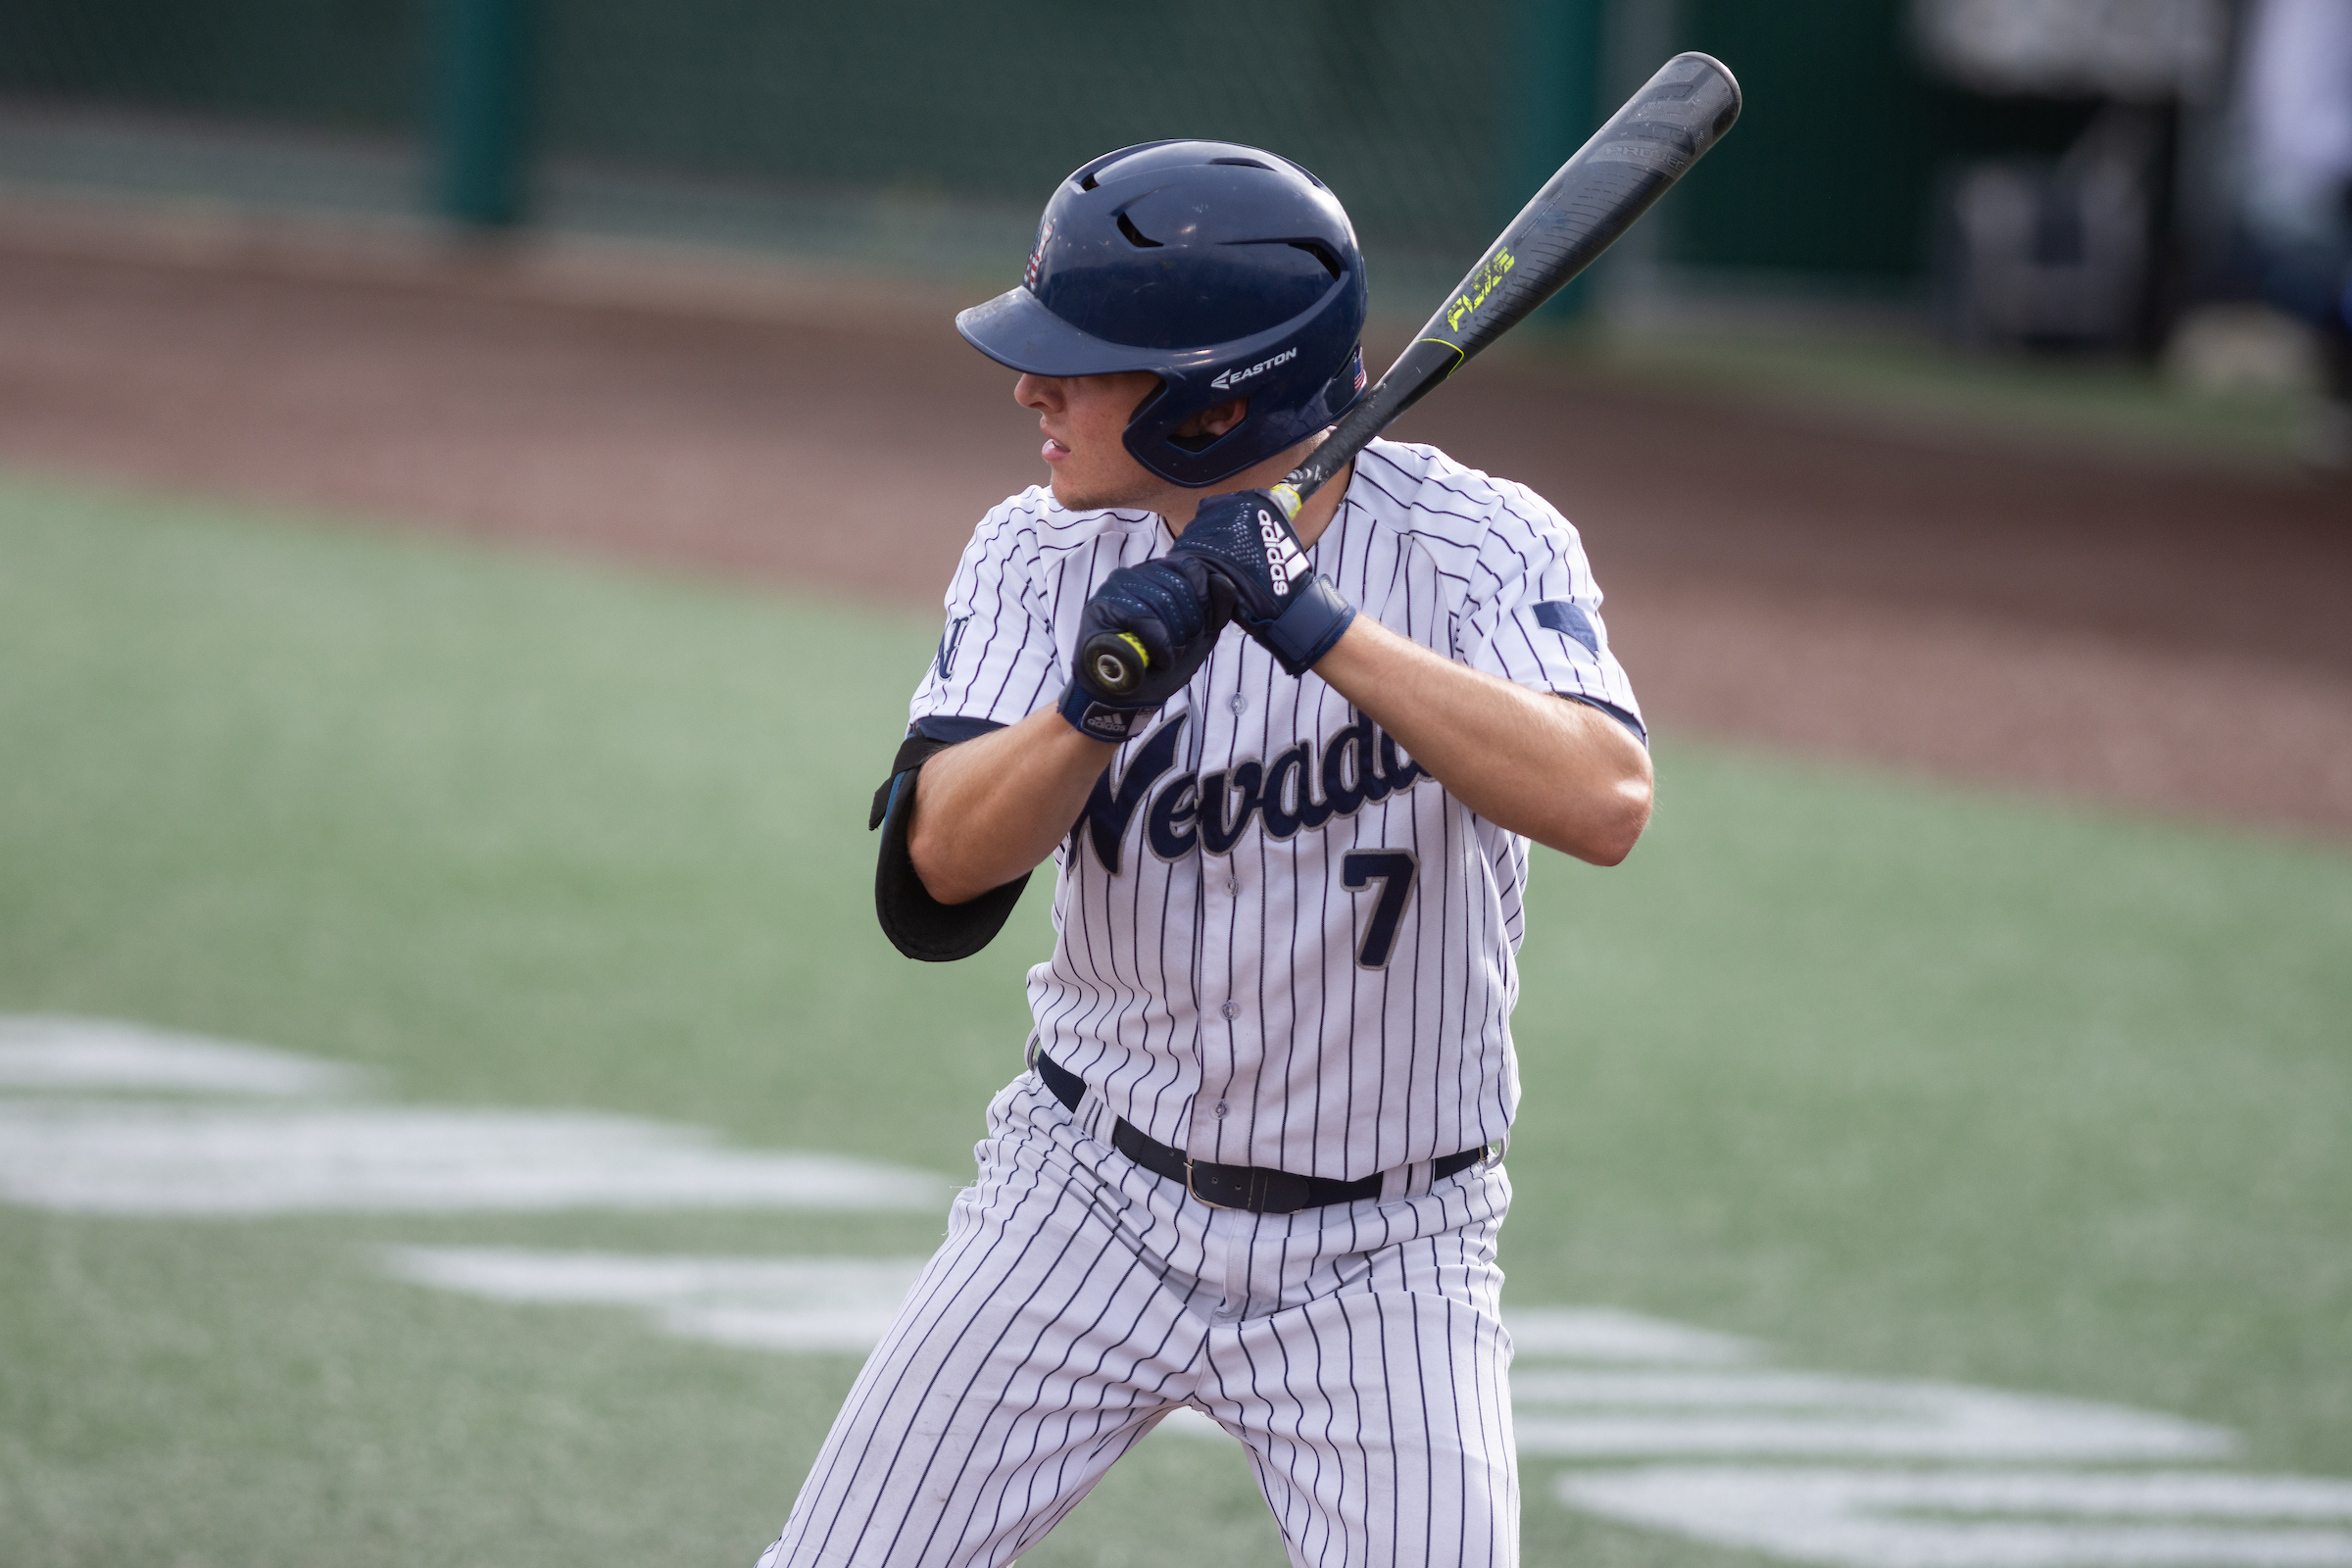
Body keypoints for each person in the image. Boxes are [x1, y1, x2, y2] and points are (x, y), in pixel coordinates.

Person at [760, 140, 1653, 1568]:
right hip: (1081, 1204)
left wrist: (1318, 627)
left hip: (1388, 1257)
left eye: (1082, 360)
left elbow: (1606, 799)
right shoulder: (1033, 554)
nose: (1031, 390)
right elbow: (931, 885)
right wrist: (1099, 699)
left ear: (1208, 399)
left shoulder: (1482, 546)